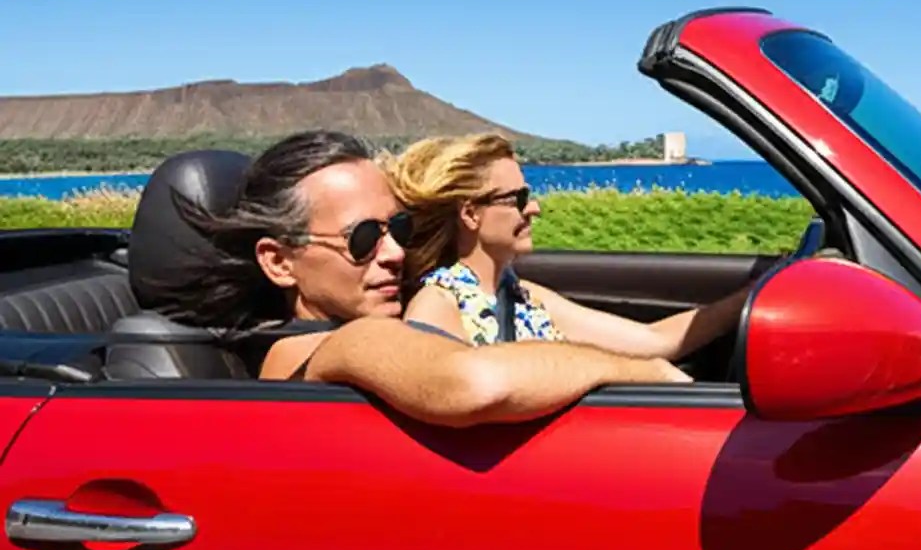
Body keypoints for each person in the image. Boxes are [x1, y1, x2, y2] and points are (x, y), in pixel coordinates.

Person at [171, 129, 690, 428]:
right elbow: (474, 382)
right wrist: (650, 376)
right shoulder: (336, 345)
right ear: (280, 262)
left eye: (398, 228)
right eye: (362, 238)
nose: (395, 252)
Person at [383, 133, 750, 361]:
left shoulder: (522, 295)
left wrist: (753, 296)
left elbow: (653, 340)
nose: (535, 208)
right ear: (470, 214)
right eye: (519, 198)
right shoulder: (437, 305)